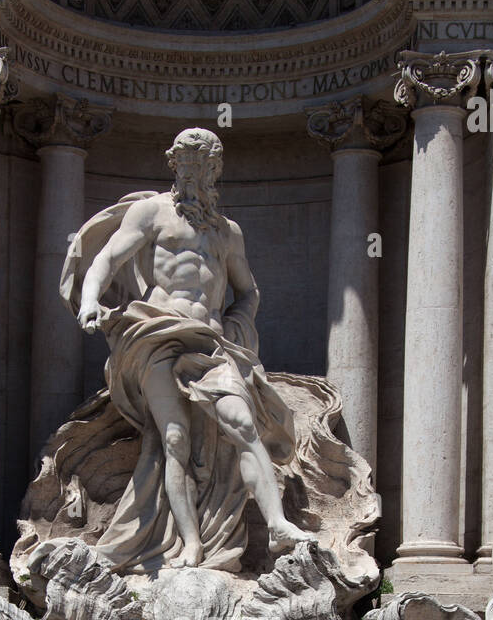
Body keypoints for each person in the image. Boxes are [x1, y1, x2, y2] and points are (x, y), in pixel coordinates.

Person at [66, 127, 312, 571]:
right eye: (186, 164)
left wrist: (238, 326)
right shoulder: (151, 213)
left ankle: (276, 524)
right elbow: (107, 258)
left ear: (215, 172)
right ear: (173, 165)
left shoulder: (227, 232)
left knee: (243, 425)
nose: (194, 173)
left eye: (203, 165)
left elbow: (248, 292)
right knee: (174, 440)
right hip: (156, 333)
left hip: (212, 343)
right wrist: (89, 302)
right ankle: (191, 545)